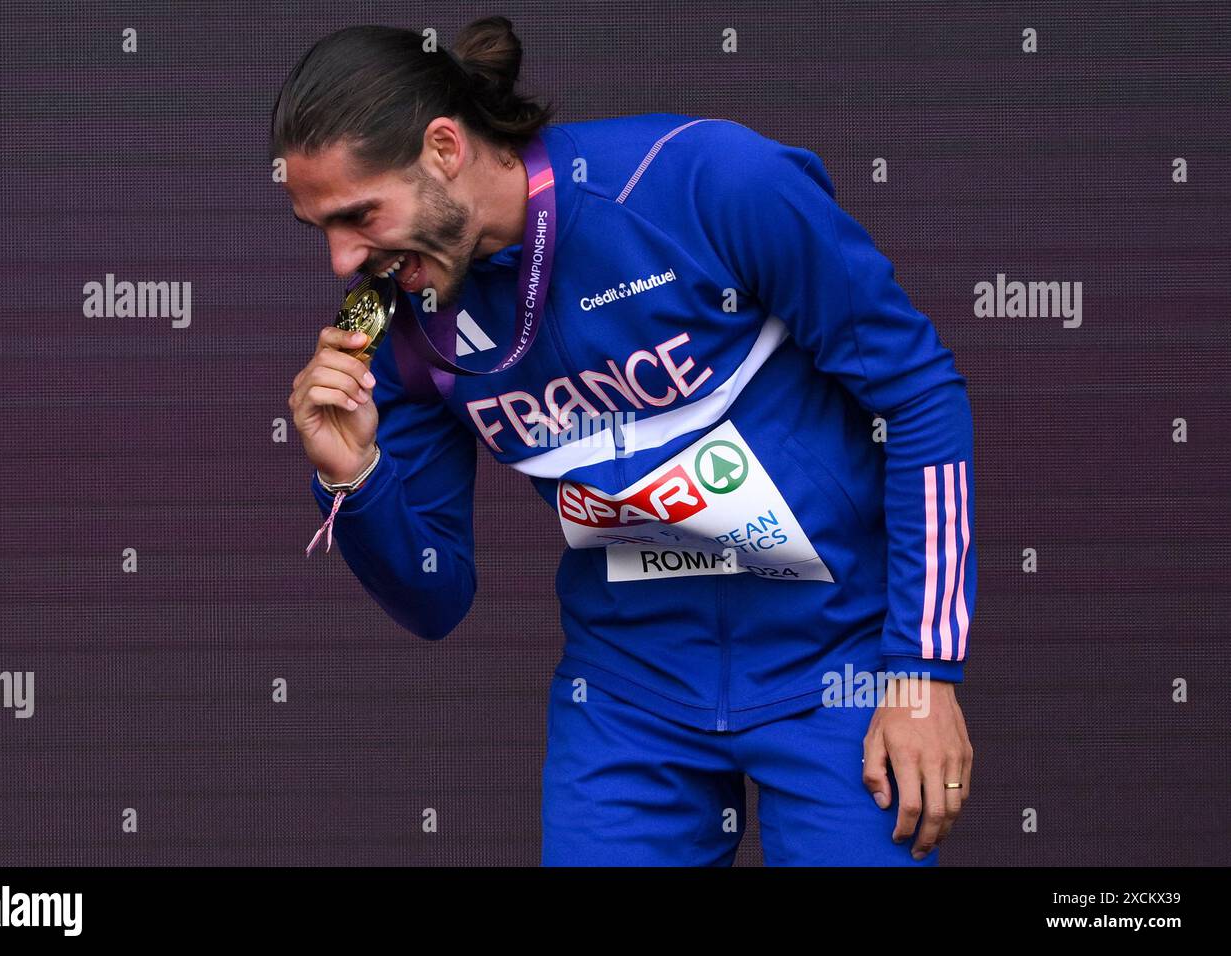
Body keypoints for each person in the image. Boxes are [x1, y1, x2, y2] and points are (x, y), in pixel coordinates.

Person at [274, 16, 976, 866]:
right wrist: (355, 477)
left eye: (359, 216)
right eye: (324, 231)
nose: (344, 262)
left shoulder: (703, 182)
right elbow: (435, 601)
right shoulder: (397, 322)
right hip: (626, 694)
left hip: (839, 667)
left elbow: (917, 393)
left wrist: (922, 671)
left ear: (445, 149)